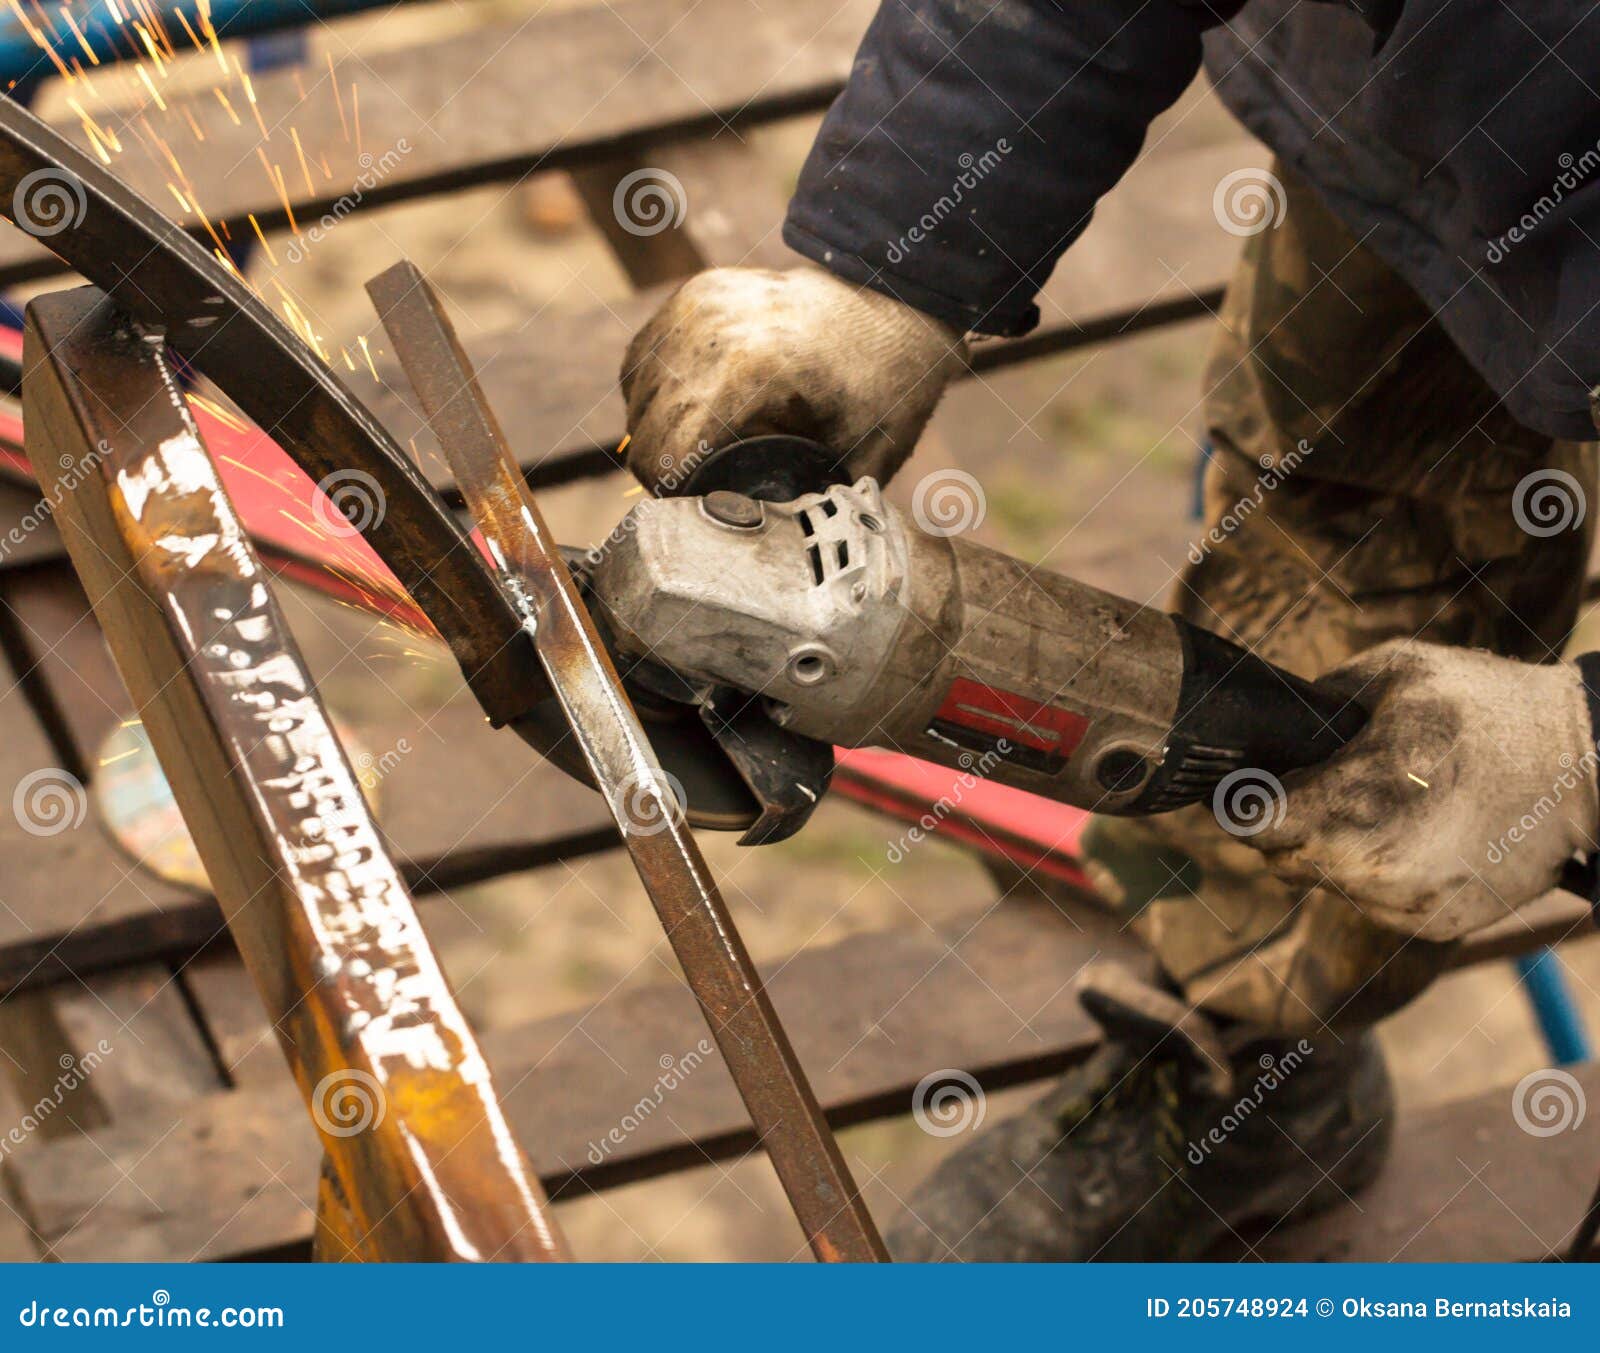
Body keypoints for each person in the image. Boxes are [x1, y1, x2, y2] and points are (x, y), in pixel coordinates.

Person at [618, 0, 1600, 1260]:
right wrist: (888, 267)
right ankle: (1250, 1071)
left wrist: (1581, 757)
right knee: (1334, 566)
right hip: (1418, 114)